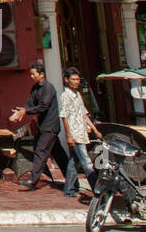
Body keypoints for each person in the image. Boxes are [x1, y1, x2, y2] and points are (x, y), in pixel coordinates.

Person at [10, 61, 70, 191]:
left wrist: (25, 111)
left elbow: (43, 106)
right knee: (59, 155)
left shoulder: (48, 88)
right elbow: (30, 104)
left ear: (41, 75)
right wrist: (22, 111)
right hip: (43, 126)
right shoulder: (35, 88)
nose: (31, 77)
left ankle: (33, 180)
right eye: (30, 74)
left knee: (40, 151)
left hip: (50, 126)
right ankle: (73, 181)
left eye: (33, 74)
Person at [59, 67, 100, 199]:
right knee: (87, 163)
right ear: (66, 80)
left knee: (73, 162)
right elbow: (63, 117)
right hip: (75, 134)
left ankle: (69, 189)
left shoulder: (78, 95)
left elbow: (84, 113)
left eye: (78, 79)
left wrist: (94, 129)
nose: (76, 82)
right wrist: (69, 135)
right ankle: (97, 190)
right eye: (73, 79)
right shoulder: (65, 97)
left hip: (82, 133)